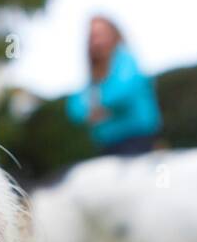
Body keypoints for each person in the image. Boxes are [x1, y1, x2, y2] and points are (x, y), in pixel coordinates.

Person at [66, 15, 163, 156]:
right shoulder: (93, 76)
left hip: (139, 140)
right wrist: (98, 109)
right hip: (108, 145)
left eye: (100, 35)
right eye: (93, 36)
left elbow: (123, 93)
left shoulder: (126, 61)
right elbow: (75, 109)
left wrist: (96, 107)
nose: (97, 41)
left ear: (113, 35)